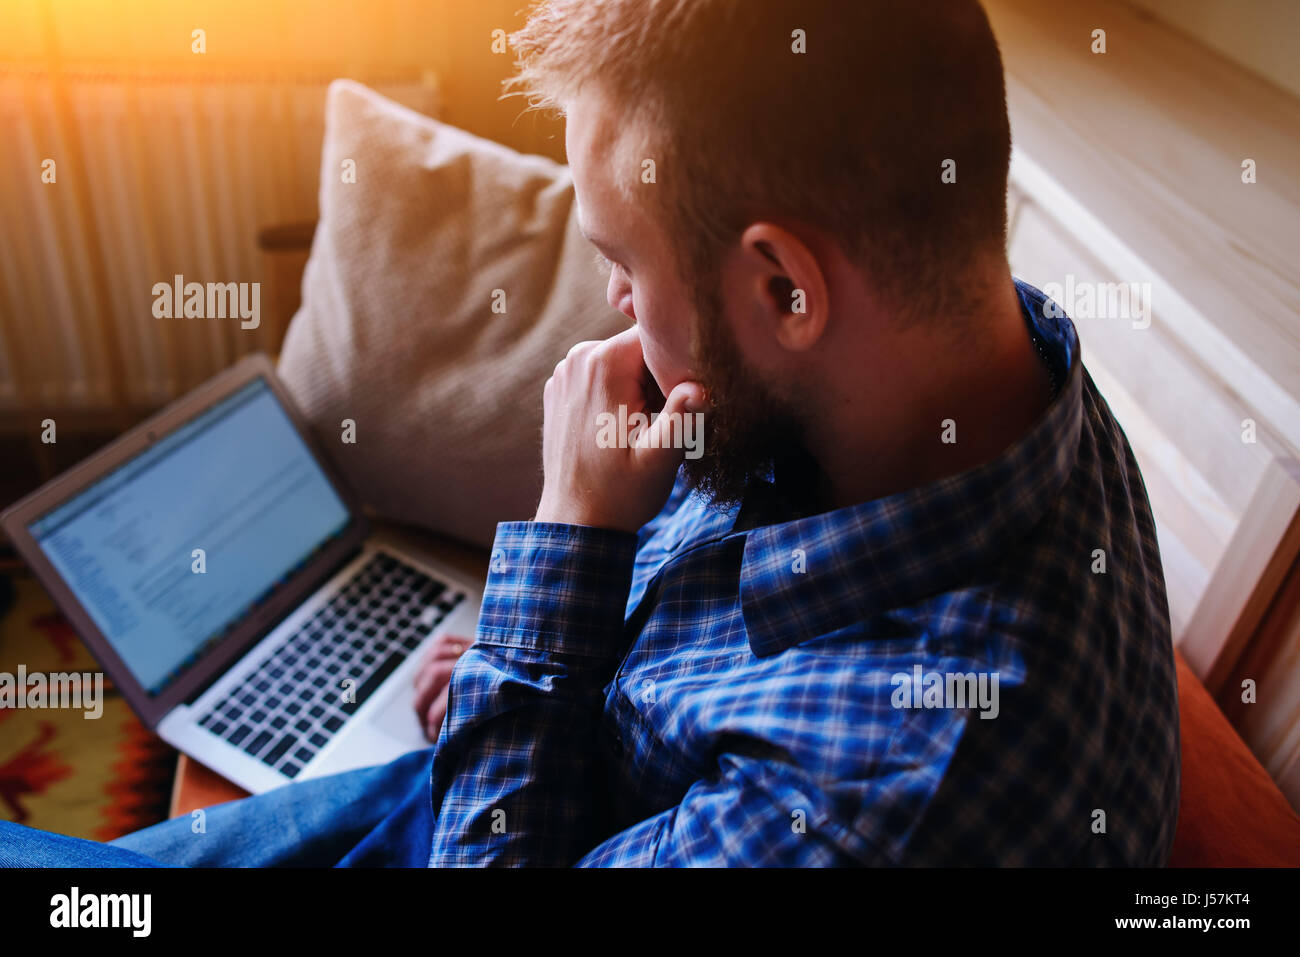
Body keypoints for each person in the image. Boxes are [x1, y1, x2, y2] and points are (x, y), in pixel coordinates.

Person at [0, 0, 1179, 867]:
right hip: (542, 765)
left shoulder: (881, 796)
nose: (614, 306)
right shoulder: (995, 372)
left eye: (619, 261)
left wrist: (565, 545)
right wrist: (557, 671)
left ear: (784, 293)